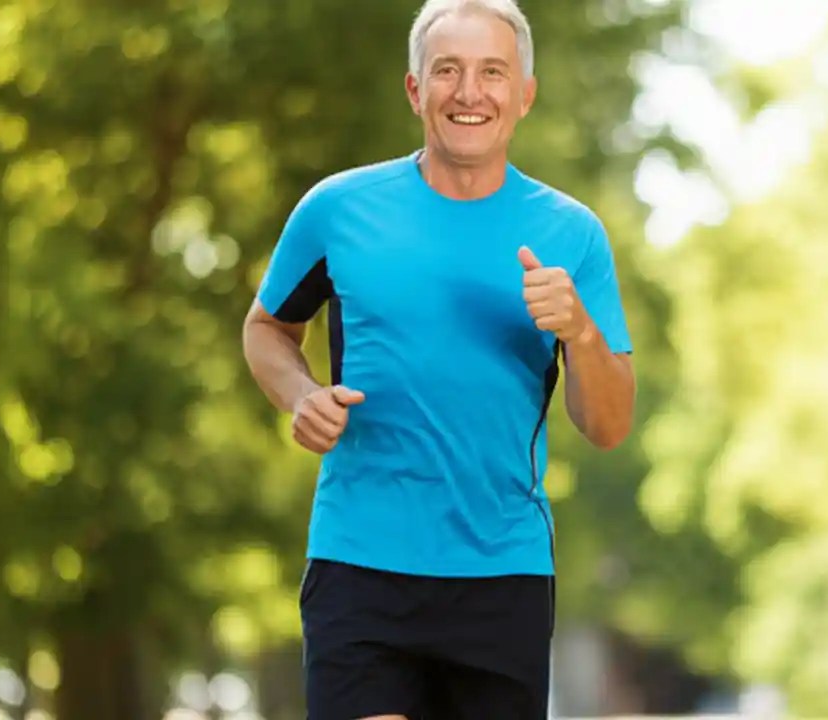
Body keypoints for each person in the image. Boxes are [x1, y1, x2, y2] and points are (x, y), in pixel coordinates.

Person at [241, 0, 636, 717]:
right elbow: (268, 327)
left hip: (501, 571)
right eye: (447, 70)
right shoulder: (337, 210)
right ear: (415, 90)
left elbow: (608, 425)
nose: (468, 92)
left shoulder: (572, 235)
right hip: (360, 559)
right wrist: (299, 394)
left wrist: (580, 333)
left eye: (492, 72)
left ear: (525, 94)